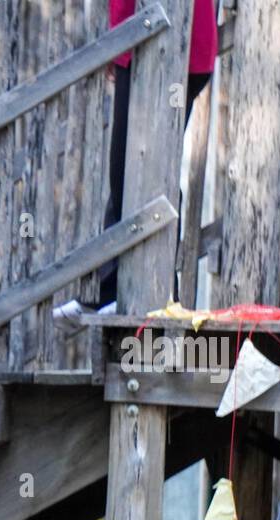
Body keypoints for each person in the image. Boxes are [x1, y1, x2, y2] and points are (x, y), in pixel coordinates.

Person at [55, 0, 217, 328]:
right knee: (138, 169)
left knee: (137, 170)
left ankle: (122, 291)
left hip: (164, 44)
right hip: (155, 40)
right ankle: (122, 291)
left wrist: (121, 44)